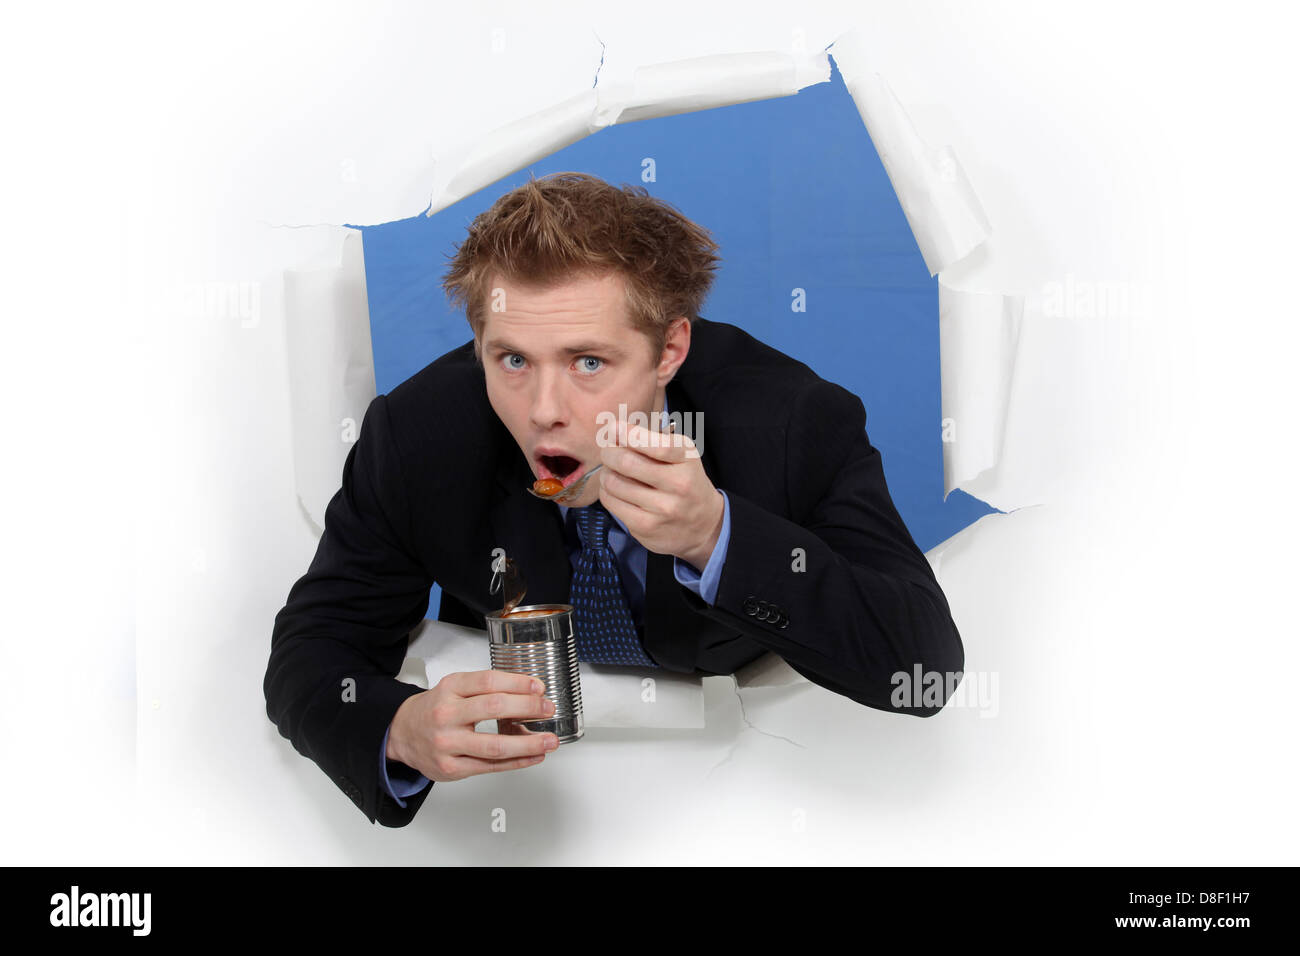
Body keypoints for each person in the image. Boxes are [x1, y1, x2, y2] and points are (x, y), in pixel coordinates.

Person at [264, 171, 964, 827]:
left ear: (669, 351)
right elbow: (313, 650)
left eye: (588, 362)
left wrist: (716, 537)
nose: (543, 411)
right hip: (528, 807)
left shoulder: (788, 424)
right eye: (512, 360)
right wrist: (400, 730)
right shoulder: (419, 437)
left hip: (746, 788)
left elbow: (923, 672)